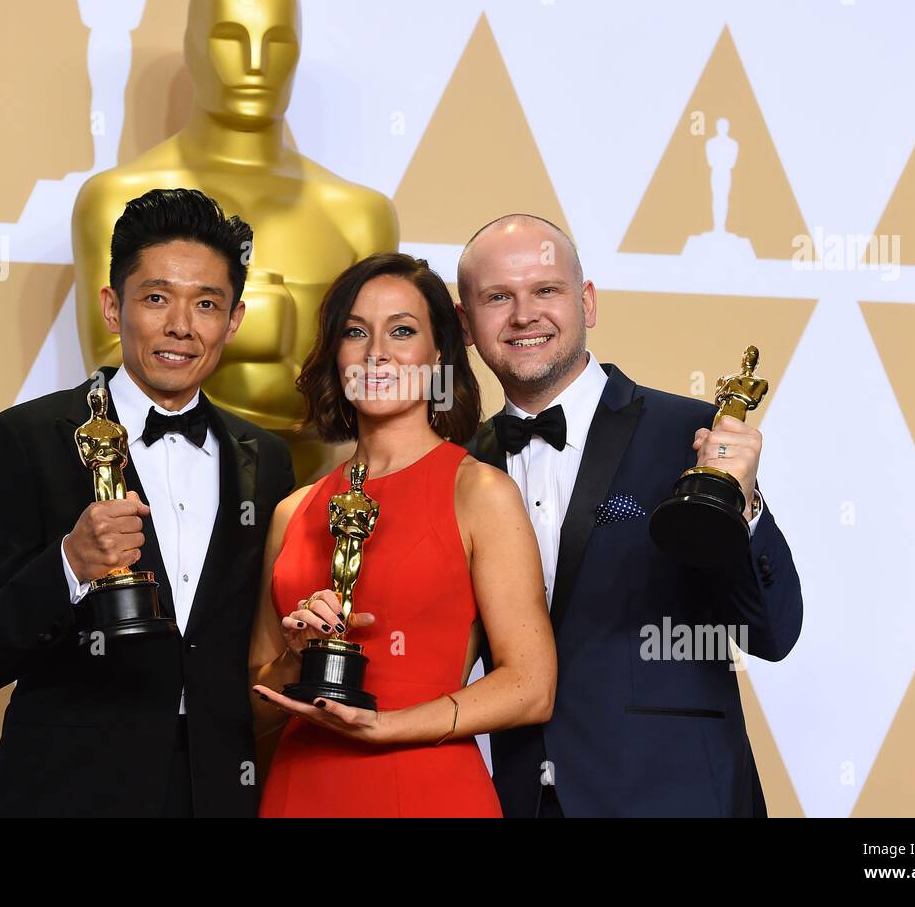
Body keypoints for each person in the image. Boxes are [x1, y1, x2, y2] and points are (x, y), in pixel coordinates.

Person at [0, 188, 295, 817]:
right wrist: (68, 565)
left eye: (207, 304)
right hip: (70, 791)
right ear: (113, 307)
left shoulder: (265, 457)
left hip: (217, 792)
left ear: (235, 320)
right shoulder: (26, 438)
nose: (180, 327)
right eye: (156, 297)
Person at [457, 214, 802, 817]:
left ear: (586, 303)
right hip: (522, 801)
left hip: (677, 794)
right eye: (496, 297)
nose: (523, 315)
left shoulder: (689, 435)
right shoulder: (458, 470)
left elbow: (770, 634)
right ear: (465, 323)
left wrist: (745, 508)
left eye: (546, 290)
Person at [249, 252, 556, 817]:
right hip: (300, 791)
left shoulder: (479, 493)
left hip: (426, 787)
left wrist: (385, 727)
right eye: (355, 332)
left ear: (438, 353)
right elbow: (253, 709)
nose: (376, 354)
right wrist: (295, 658)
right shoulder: (293, 511)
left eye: (402, 331)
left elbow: (532, 687)